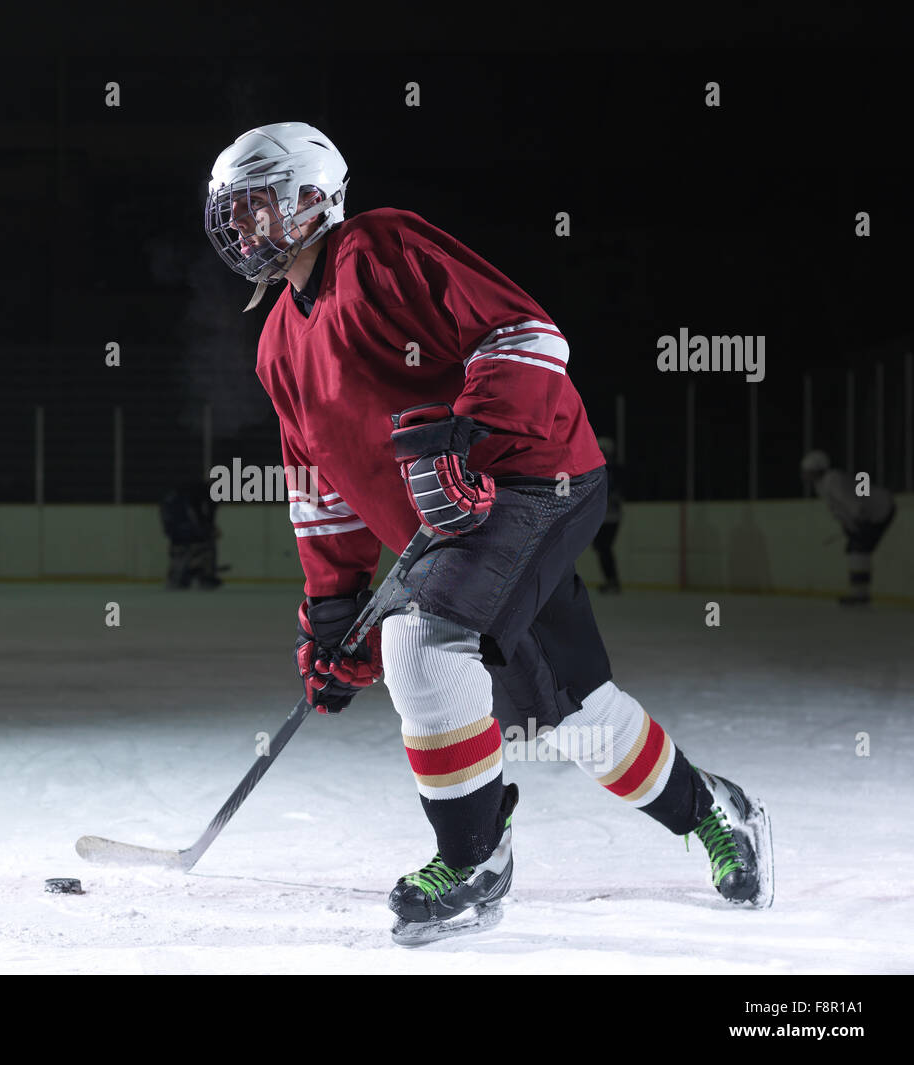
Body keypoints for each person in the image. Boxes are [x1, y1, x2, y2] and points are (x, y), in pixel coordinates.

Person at [204, 122, 773, 940]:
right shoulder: (276, 346)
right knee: (576, 712)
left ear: (309, 198)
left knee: (423, 640)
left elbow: (528, 332)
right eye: (234, 211)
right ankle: (719, 810)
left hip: (534, 474)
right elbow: (318, 485)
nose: (242, 228)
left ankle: (473, 861)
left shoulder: (378, 247)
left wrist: (468, 429)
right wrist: (331, 607)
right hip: (461, 524)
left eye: (256, 207)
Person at [800, 450, 897, 606]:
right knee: (856, 549)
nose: (804, 475)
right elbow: (840, 508)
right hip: (873, 511)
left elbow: (849, 500)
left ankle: (860, 594)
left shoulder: (832, 479)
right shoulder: (822, 484)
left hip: (880, 510)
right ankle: (860, 592)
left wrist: (858, 519)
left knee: (859, 549)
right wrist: (849, 526)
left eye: (807, 471)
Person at [159, 479, 221, 589]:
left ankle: (181, 573)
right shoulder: (206, 491)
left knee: (180, 542)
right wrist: (209, 528)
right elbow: (203, 510)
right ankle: (200, 573)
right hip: (178, 512)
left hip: (169, 511)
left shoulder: (192, 488)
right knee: (200, 541)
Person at [593, 435, 624, 593]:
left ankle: (612, 580)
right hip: (603, 515)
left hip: (609, 516)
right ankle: (611, 580)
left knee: (603, 547)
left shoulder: (610, 470)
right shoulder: (602, 469)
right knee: (601, 548)